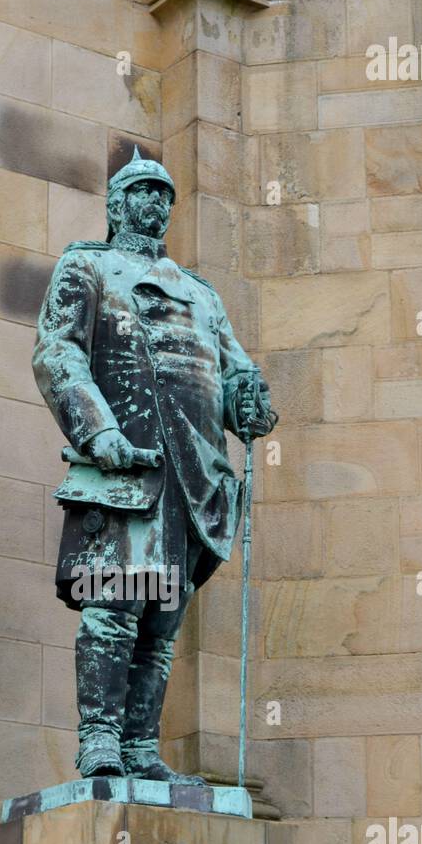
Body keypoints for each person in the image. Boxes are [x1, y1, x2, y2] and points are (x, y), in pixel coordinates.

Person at [33, 149, 278, 782]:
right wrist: (100, 431)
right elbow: (57, 352)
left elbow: (232, 372)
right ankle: (101, 740)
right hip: (128, 465)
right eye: (143, 191)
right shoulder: (87, 265)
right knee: (114, 603)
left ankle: (142, 746)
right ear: (116, 205)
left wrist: (247, 399)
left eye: (164, 194)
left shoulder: (200, 292)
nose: (156, 203)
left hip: (195, 478)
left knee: (161, 621)